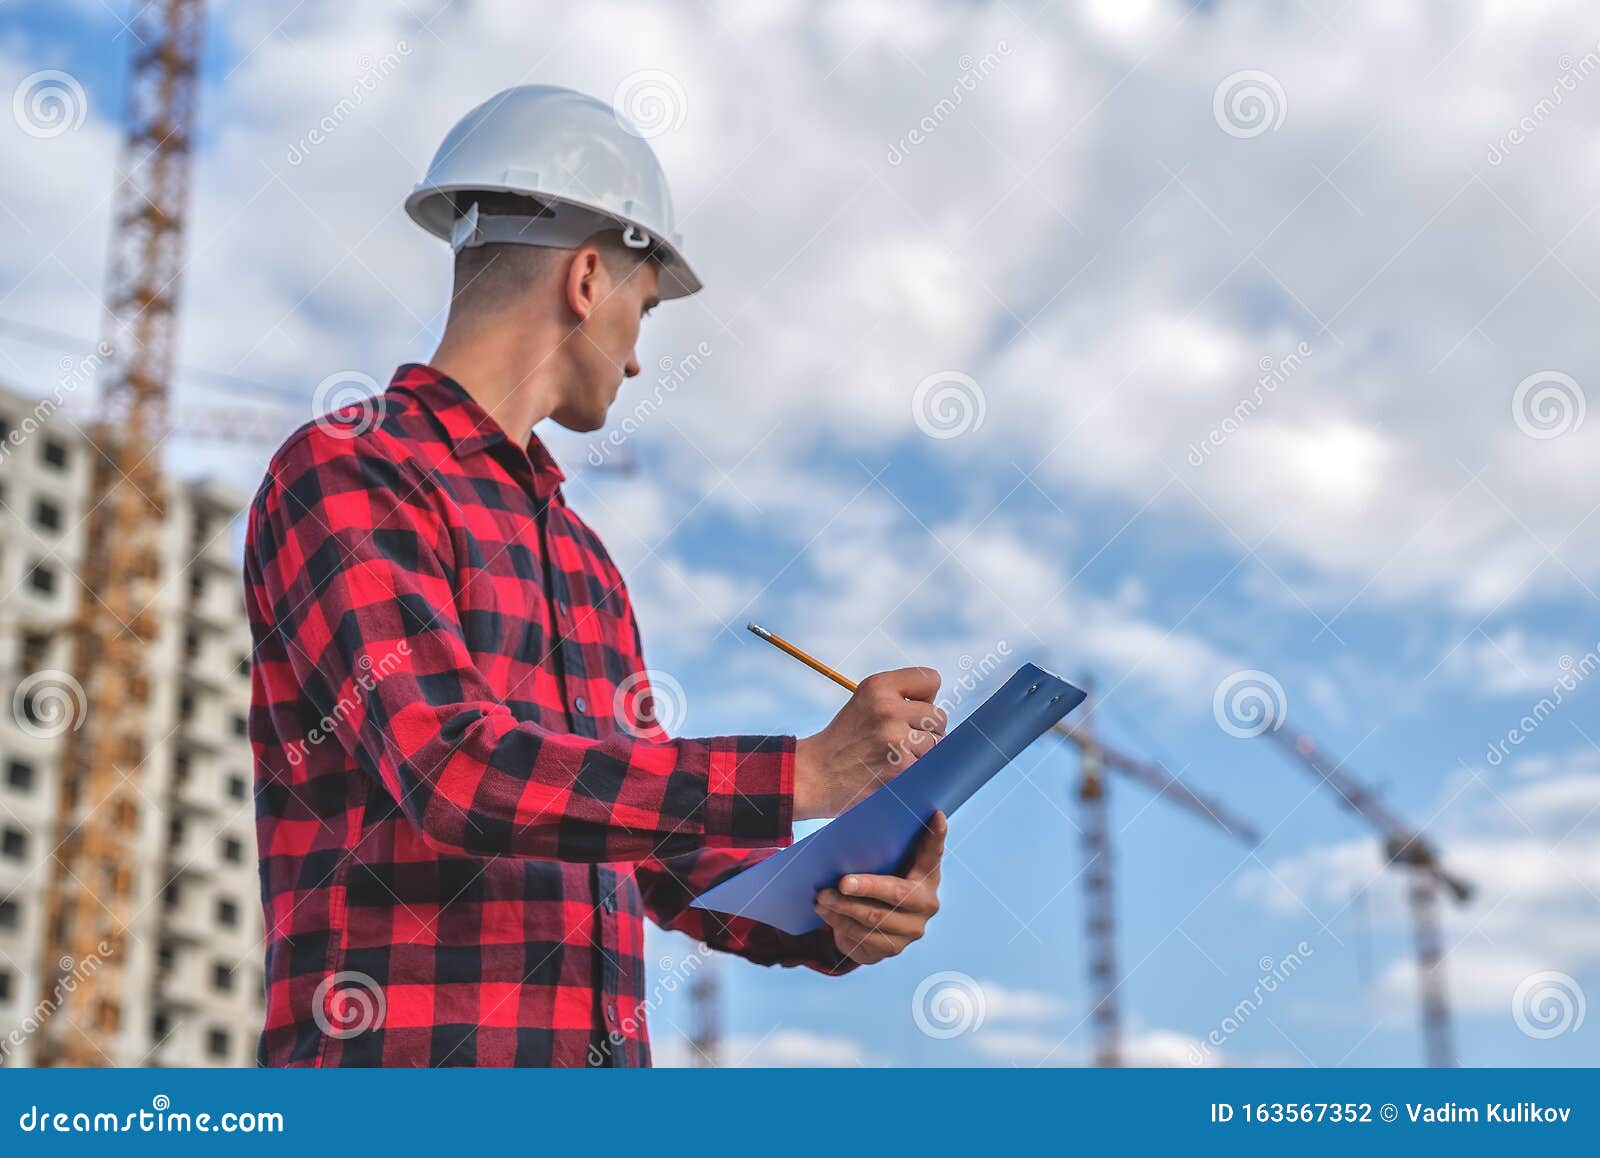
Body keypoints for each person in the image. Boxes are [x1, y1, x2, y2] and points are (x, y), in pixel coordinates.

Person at [245, 85, 948, 1067]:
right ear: (587, 279)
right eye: (644, 310)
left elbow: (661, 855)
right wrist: (803, 772)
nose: (638, 361)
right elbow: (451, 772)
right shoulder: (352, 470)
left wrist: (838, 907)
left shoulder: (584, 562)